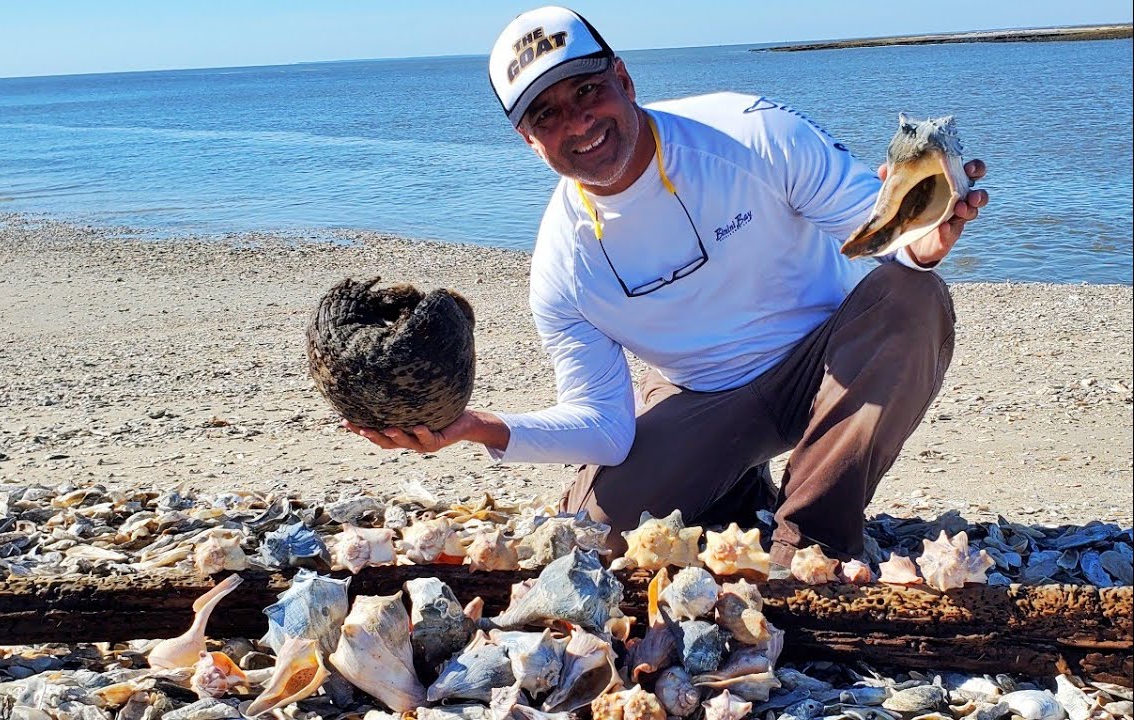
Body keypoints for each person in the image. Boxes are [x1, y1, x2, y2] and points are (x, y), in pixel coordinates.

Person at [345, 6, 989, 566]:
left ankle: (813, 542)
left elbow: (879, 225)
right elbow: (602, 425)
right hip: (702, 396)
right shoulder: (561, 266)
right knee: (602, 531)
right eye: (547, 114)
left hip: (825, 366)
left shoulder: (751, 132)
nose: (577, 123)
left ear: (623, 78)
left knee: (913, 294)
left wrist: (927, 235)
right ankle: (739, 493)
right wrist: (473, 426)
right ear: (528, 140)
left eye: (587, 91)